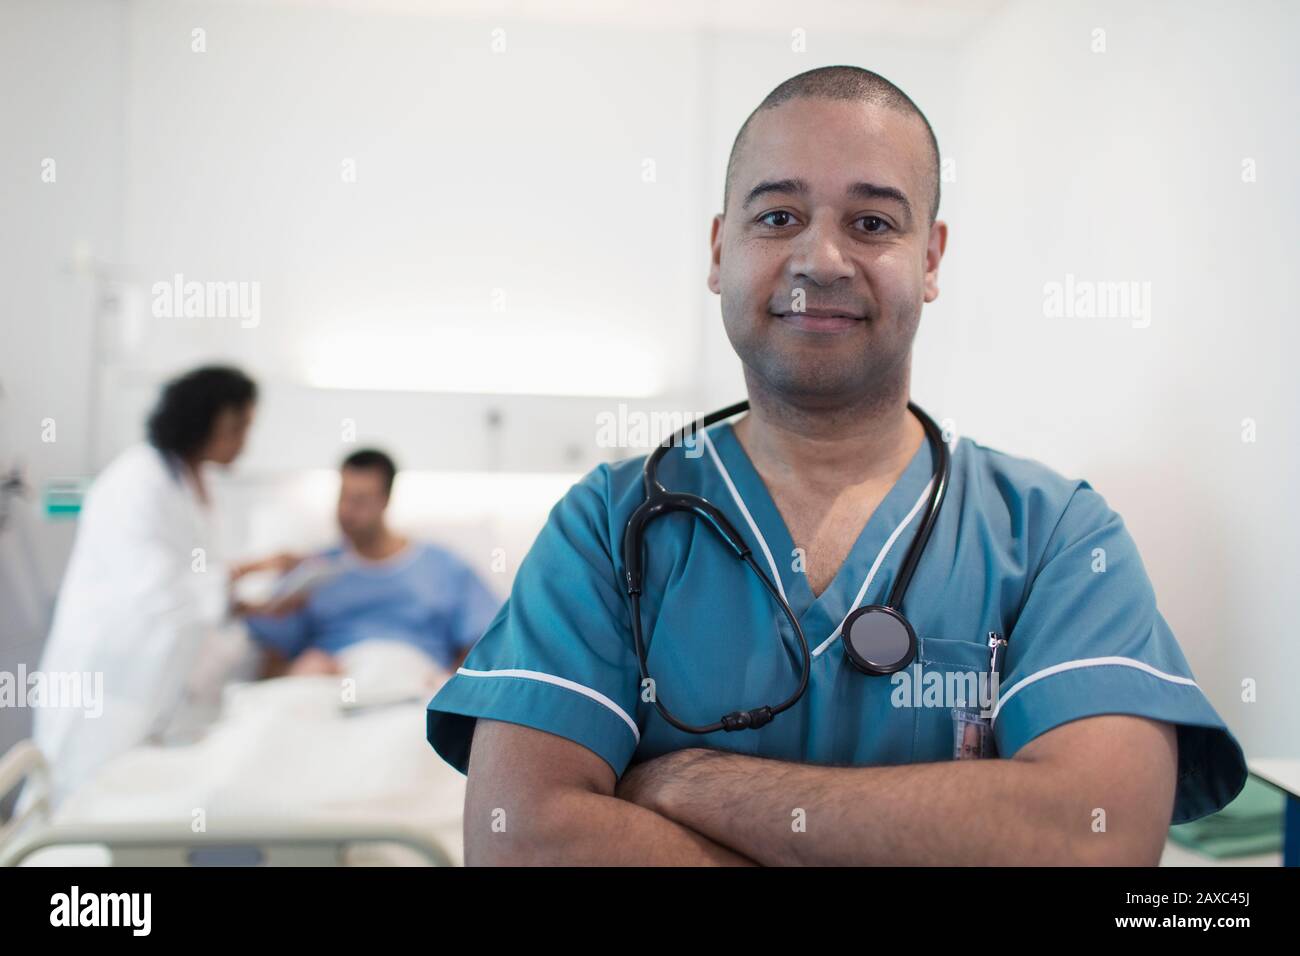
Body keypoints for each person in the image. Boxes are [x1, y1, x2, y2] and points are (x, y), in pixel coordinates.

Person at [425, 66, 1248, 866]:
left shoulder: (1058, 535)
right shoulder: (604, 528)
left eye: (874, 224)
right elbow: (519, 840)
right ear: (721, 251)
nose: (821, 259)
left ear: (931, 261)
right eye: (778, 217)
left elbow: (1092, 838)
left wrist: (687, 783)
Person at [32, 365, 257, 806]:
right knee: (75, 801)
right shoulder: (136, 481)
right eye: (240, 426)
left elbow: (194, 587)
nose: (245, 440)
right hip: (107, 679)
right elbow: (157, 594)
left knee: (128, 807)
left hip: (155, 684)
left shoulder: (195, 484)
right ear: (208, 420)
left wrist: (242, 603)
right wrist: (242, 574)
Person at [237, 449, 500, 678]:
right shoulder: (314, 569)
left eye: (360, 501)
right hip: (330, 687)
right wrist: (296, 671)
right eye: (343, 498)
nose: (347, 511)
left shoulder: (443, 567)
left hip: (413, 684)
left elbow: (488, 642)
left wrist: (449, 682)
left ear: (385, 501)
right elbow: (269, 657)